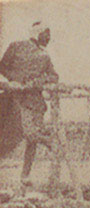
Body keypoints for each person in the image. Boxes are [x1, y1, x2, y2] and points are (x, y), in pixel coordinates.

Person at [0, 21, 59, 183]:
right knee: (28, 133)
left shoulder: (45, 56)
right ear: (37, 33)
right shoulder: (16, 47)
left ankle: (25, 175)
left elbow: (54, 76)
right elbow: (2, 67)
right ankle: (50, 142)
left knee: (31, 140)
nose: (49, 38)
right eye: (46, 34)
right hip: (15, 99)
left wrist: (38, 81)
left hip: (35, 102)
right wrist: (14, 80)